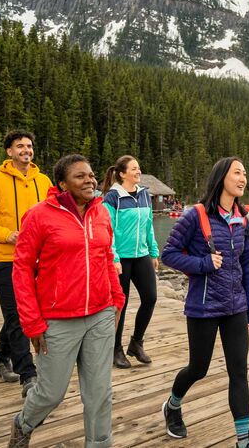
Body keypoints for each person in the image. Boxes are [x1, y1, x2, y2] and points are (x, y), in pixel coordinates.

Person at [7, 154, 126, 448]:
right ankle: (23, 423)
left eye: (92, 175)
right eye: (80, 176)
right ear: (62, 184)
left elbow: (106, 257)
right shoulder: (39, 216)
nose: (90, 180)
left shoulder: (101, 213)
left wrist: (117, 298)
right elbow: (22, 270)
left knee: (100, 392)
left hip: (100, 314)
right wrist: (32, 323)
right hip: (57, 319)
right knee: (51, 392)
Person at [160, 157, 249, 448]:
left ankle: (243, 441)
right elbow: (169, 254)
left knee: (239, 371)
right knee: (198, 369)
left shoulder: (242, 217)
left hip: (236, 307)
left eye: (245, 173)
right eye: (237, 173)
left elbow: (248, 265)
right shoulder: (196, 215)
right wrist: (203, 263)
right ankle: (173, 405)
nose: (243, 178)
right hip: (203, 307)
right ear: (221, 178)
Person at [0, 131, 52, 395]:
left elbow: (53, 217)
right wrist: (7, 235)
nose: (26, 150)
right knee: (17, 314)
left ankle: (0, 358)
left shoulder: (44, 181)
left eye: (29, 146)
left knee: (19, 312)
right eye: (20, 146)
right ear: (9, 151)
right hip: (4, 259)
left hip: (38, 259)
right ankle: (28, 376)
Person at [100, 155, 160, 369]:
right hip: (121, 259)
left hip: (141, 255)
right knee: (120, 305)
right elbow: (108, 230)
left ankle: (136, 342)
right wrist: (114, 257)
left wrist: (153, 252)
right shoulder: (112, 197)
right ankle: (116, 349)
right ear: (122, 173)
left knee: (150, 297)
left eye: (139, 167)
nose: (138, 171)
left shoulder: (144, 194)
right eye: (134, 168)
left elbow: (148, 225)